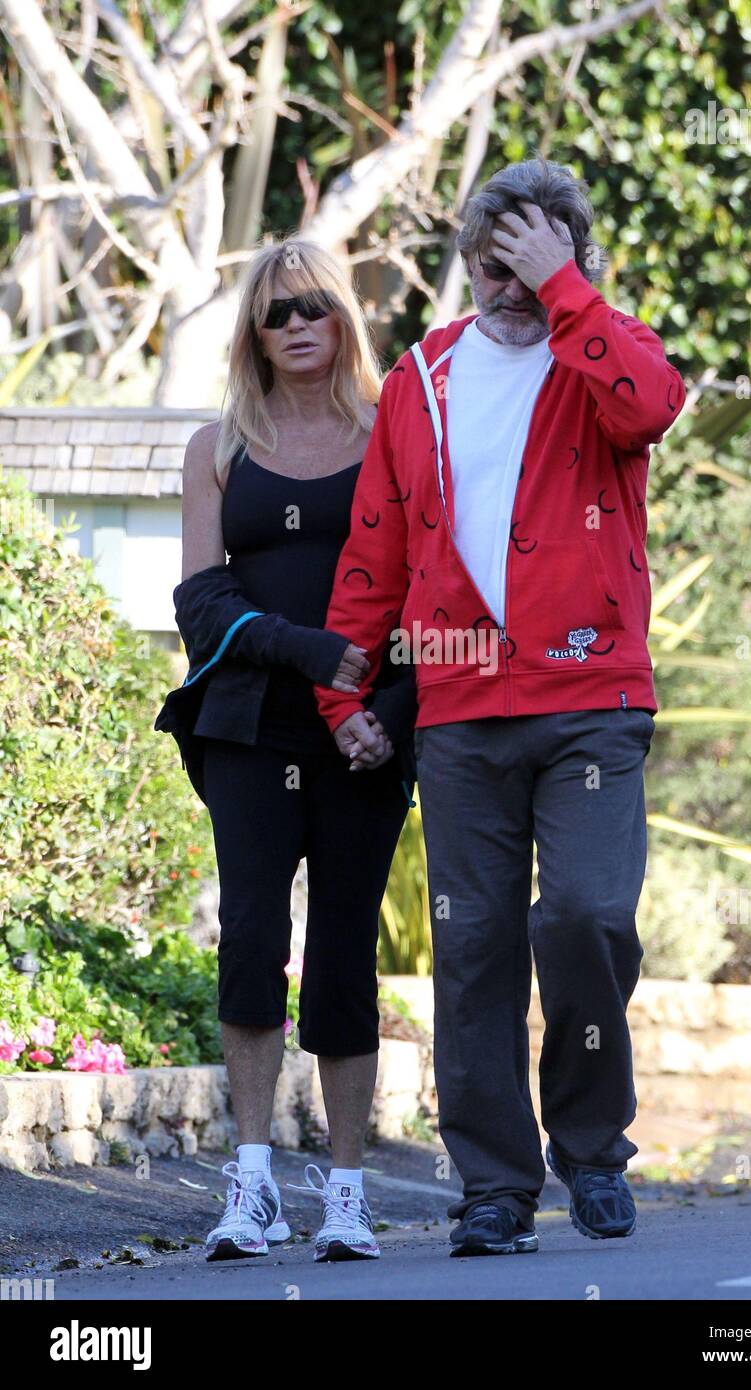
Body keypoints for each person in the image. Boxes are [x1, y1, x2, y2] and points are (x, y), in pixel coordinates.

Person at [314, 158, 686, 1256]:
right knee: (471, 946)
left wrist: (567, 291)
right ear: (469, 257)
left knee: (584, 914)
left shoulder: (604, 354)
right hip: (457, 702)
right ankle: (493, 1183)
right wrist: (343, 701)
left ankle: (588, 1141)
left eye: (531, 256)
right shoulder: (418, 378)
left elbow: (651, 408)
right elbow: (372, 556)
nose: (508, 278)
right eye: (494, 256)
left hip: (589, 694)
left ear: (568, 256)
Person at [156, 237, 417, 1263]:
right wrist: (311, 653)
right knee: (252, 938)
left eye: (315, 305)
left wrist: (385, 710)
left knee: (346, 953)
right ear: (253, 334)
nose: (299, 323)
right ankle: (252, 1183)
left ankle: (345, 1193)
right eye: (276, 312)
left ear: (344, 315)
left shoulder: (397, 436)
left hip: (363, 736)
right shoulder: (217, 446)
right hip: (250, 726)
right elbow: (200, 597)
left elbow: (430, 591)